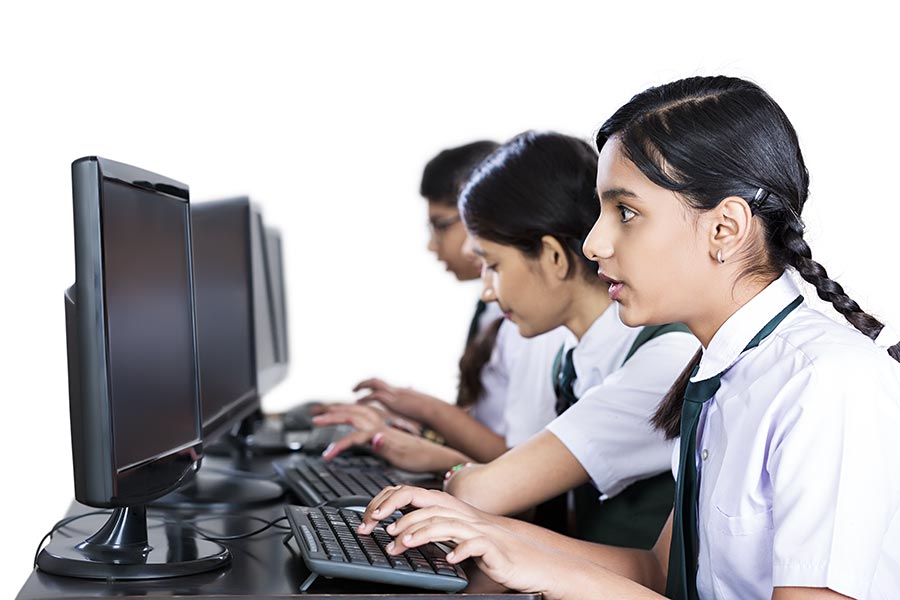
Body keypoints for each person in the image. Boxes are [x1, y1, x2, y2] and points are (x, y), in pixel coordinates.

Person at [355, 76, 900, 599]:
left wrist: (534, 561)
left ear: (725, 229)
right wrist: (492, 535)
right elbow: (660, 571)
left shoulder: (826, 385)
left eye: (626, 212)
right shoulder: (722, 372)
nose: (593, 244)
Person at [314, 140, 568, 470]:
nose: (433, 245)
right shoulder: (495, 306)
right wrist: (403, 421)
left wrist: (427, 410)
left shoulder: (536, 321)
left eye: (441, 224)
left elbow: (519, 461)